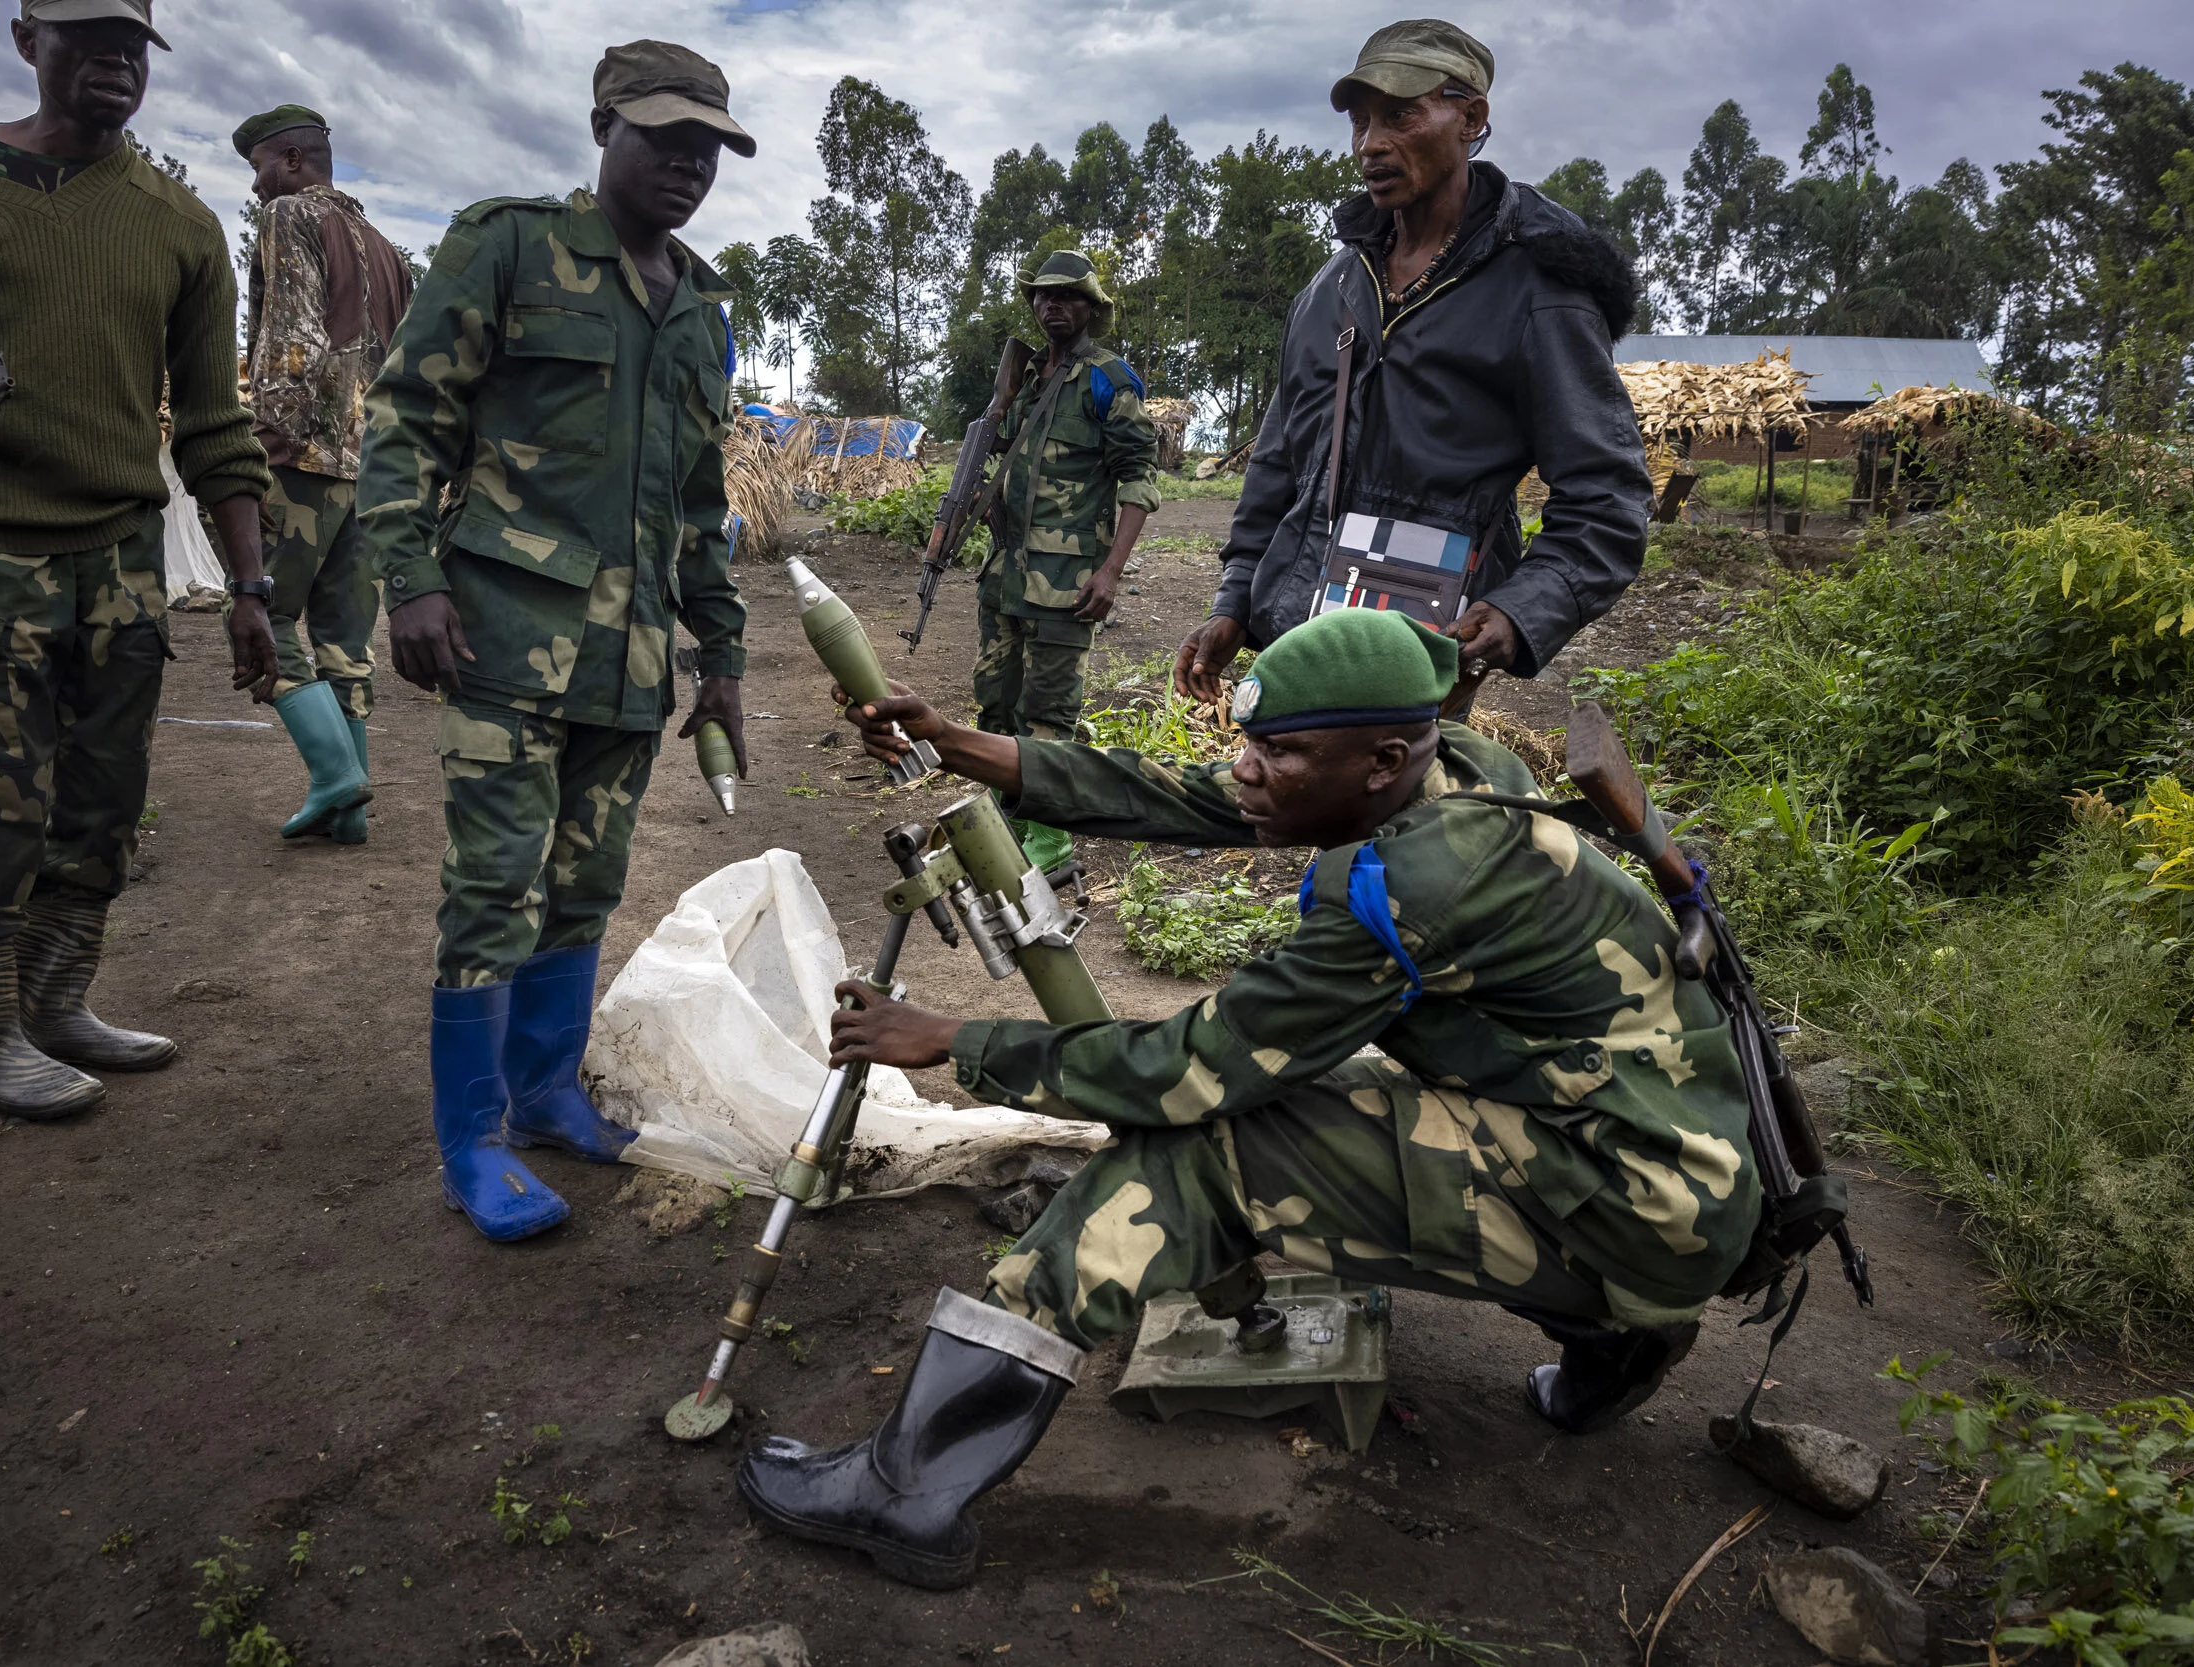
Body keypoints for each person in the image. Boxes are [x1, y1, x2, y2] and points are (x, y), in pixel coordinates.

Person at [739, 606, 1759, 1589]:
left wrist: (955, 1041)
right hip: (1664, 1163)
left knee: (1193, 1150)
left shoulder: (1418, 882)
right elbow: (1189, 795)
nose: (1245, 769)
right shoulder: (1449, 772)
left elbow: (1192, 1066)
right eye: (1249, 741)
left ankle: (904, 1489)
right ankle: (1613, 1340)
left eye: (1277, 755)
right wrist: (955, 742)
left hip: (1630, 1199)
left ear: (1379, 763)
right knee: (1318, 1108)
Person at [0, 0, 276, 1121]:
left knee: (100, 801)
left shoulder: (177, 221)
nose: (116, 66)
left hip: (122, 559)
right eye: (88, 44)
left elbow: (217, 425)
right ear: (29, 43)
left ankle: (54, 1001)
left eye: (134, 48)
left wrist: (250, 587)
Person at [357, 40, 752, 1242]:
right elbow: (406, 417)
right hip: (503, 636)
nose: (686, 164)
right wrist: (410, 578)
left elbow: (697, 505)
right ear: (602, 127)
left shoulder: (700, 314)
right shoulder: (509, 247)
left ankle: (541, 1094)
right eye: (663, 136)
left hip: (628, 665)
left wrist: (722, 656)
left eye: (707, 148)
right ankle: (471, 1139)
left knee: (584, 883)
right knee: (494, 888)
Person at [1172, 19, 1649, 716]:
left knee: (1404, 814)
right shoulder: (1330, 289)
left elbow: (1607, 497)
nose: (1370, 144)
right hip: (1302, 635)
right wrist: (1235, 600)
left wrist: (1518, 611)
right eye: (1360, 122)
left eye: (1400, 115)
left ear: (1471, 118)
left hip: (1430, 646)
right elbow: (1280, 463)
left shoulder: (1539, 291)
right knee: (1304, 811)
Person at [232, 103, 415, 844]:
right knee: (345, 638)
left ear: (292, 162)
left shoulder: (289, 220)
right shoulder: (387, 249)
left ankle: (336, 774)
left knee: (262, 615)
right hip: (371, 474)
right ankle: (349, 816)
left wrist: (265, 444)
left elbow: (292, 347)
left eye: (259, 170)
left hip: (302, 461)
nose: (256, 190)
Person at [974, 252, 1160, 875]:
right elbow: (1001, 458)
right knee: (996, 704)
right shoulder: (1024, 383)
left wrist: (1110, 572)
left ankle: (1049, 845)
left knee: (1049, 714)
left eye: (1068, 296)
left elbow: (1138, 476)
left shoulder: (1110, 379)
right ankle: (1003, 824)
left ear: (1090, 309)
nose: (1053, 305)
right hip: (1005, 577)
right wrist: (999, 409)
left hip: (1068, 581)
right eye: (1043, 295)